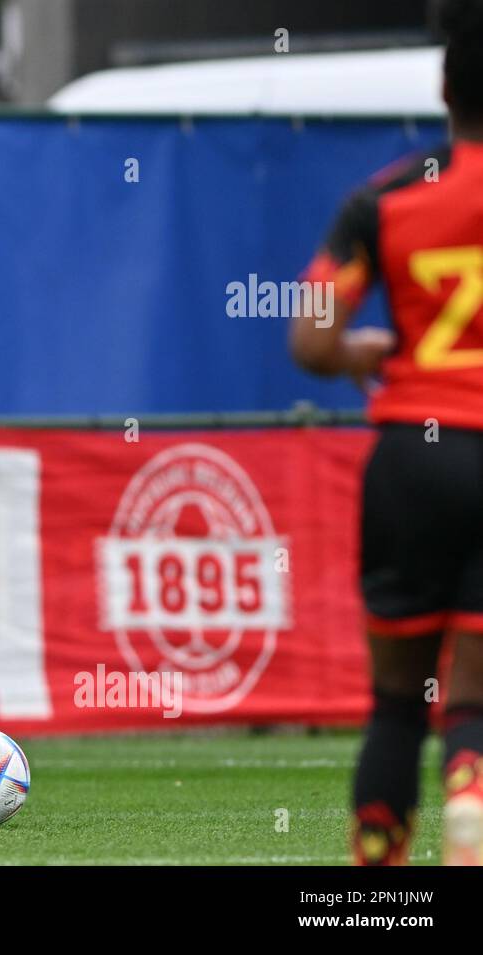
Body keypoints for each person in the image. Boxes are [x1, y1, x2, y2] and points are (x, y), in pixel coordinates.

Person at [291, 0, 483, 865]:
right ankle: (472, 798)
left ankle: (378, 879)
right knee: (475, 695)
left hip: (412, 455)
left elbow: (311, 338)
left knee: (398, 700)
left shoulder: (387, 197)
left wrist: (362, 347)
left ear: (446, 87)